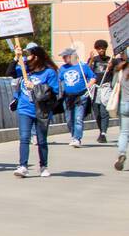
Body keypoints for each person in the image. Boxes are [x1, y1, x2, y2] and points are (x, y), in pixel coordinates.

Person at [12, 42, 60, 178]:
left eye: (29, 55)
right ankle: (23, 166)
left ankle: (43, 166)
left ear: (36, 57)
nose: (26, 58)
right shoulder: (24, 69)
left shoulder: (49, 72)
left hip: (41, 111)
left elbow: (54, 92)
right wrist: (16, 58)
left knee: (42, 140)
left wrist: (34, 87)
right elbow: (10, 72)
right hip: (24, 108)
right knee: (24, 138)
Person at [57, 47, 94, 148]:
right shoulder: (63, 68)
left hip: (81, 96)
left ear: (71, 56)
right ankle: (73, 136)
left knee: (78, 118)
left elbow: (93, 78)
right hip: (68, 98)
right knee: (69, 119)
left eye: (65, 57)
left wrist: (88, 86)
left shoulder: (83, 66)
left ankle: (77, 138)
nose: (64, 59)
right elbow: (58, 80)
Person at [87, 39, 114, 144]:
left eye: (103, 48)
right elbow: (87, 71)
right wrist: (91, 60)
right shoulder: (94, 60)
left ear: (106, 48)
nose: (101, 50)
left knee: (104, 111)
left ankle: (103, 133)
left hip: (105, 87)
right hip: (95, 88)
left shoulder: (110, 60)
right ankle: (101, 130)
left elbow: (116, 71)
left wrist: (111, 67)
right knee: (96, 111)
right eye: (99, 48)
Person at [111, 54, 128, 171]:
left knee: (124, 132)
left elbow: (113, 85)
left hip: (124, 104)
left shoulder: (121, 70)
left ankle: (121, 154)